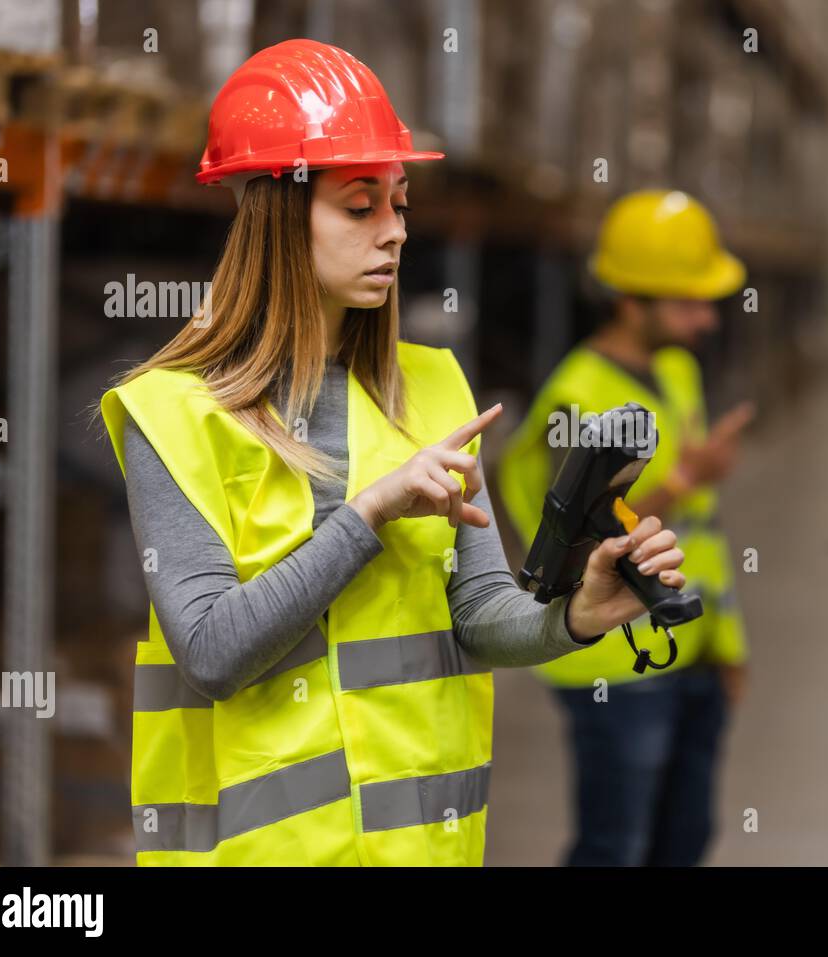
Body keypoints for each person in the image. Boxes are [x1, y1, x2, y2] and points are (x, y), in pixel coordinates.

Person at [98, 39, 689, 866]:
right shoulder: (171, 413)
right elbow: (212, 655)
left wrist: (575, 615)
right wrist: (370, 511)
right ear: (275, 213)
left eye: (400, 204)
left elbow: (477, 617)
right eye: (359, 205)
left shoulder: (434, 390)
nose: (395, 233)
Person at [499, 190, 754, 866]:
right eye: (688, 301)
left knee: (685, 838)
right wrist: (682, 480)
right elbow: (581, 542)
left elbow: (703, 532)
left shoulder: (676, 369)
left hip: (687, 641)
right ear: (631, 301)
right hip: (614, 659)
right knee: (615, 847)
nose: (706, 318)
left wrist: (726, 642)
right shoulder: (578, 399)